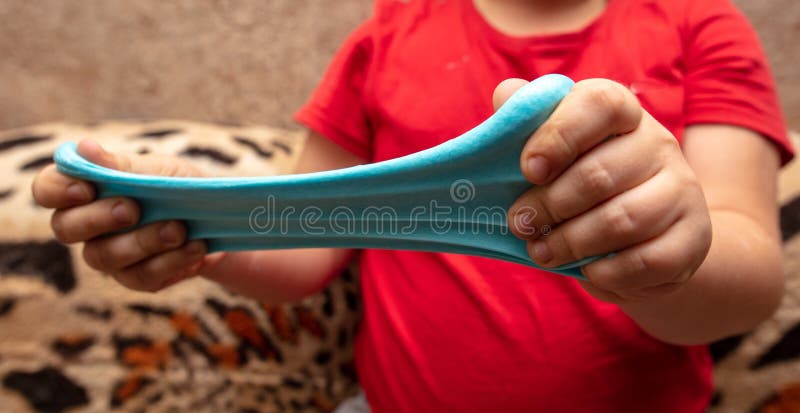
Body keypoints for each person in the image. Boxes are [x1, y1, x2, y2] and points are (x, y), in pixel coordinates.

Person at [32, 0, 793, 411]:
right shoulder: (389, 33)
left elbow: (750, 278)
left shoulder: (702, 26)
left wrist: (662, 251)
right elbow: (305, 245)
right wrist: (198, 217)